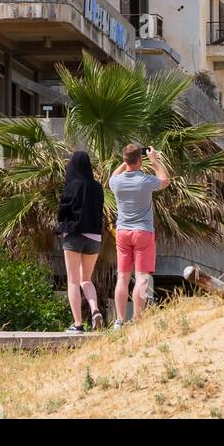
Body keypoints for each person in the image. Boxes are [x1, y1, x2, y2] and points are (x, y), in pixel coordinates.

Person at [110, 142, 170, 327]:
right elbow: (165, 180)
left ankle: (119, 320)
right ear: (139, 161)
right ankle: (137, 319)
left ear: (124, 160)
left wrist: (125, 161)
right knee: (142, 277)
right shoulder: (145, 181)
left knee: (122, 277)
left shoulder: (116, 182)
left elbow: (114, 174)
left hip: (122, 232)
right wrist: (154, 161)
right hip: (143, 232)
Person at [57, 150, 106, 332]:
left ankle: (78, 324)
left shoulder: (72, 185)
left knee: (73, 281)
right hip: (94, 237)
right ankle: (95, 310)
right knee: (86, 279)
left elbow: (63, 210)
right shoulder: (97, 187)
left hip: (74, 235)